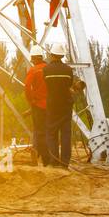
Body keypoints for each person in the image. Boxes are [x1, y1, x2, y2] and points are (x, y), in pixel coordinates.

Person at [43, 38, 74, 169]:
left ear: (51, 54)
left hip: (52, 106)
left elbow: (46, 85)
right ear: (62, 55)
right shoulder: (68, 70)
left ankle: (53, 161)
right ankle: (64, 163)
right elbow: (70, 85)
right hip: (66, 106)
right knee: (66, 134)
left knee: (51, 133)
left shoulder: (46, 70)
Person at [24, 47, 49, 166]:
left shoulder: (33, 70)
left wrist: (31, 100)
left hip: (38, 105)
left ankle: (40, 154)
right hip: (51, 105)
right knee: (48, 131)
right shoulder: (50, 69)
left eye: (32, 59)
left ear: (35, 58)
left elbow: (27, 86)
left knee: (38, 131)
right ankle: (45, 155)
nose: (32, 61)